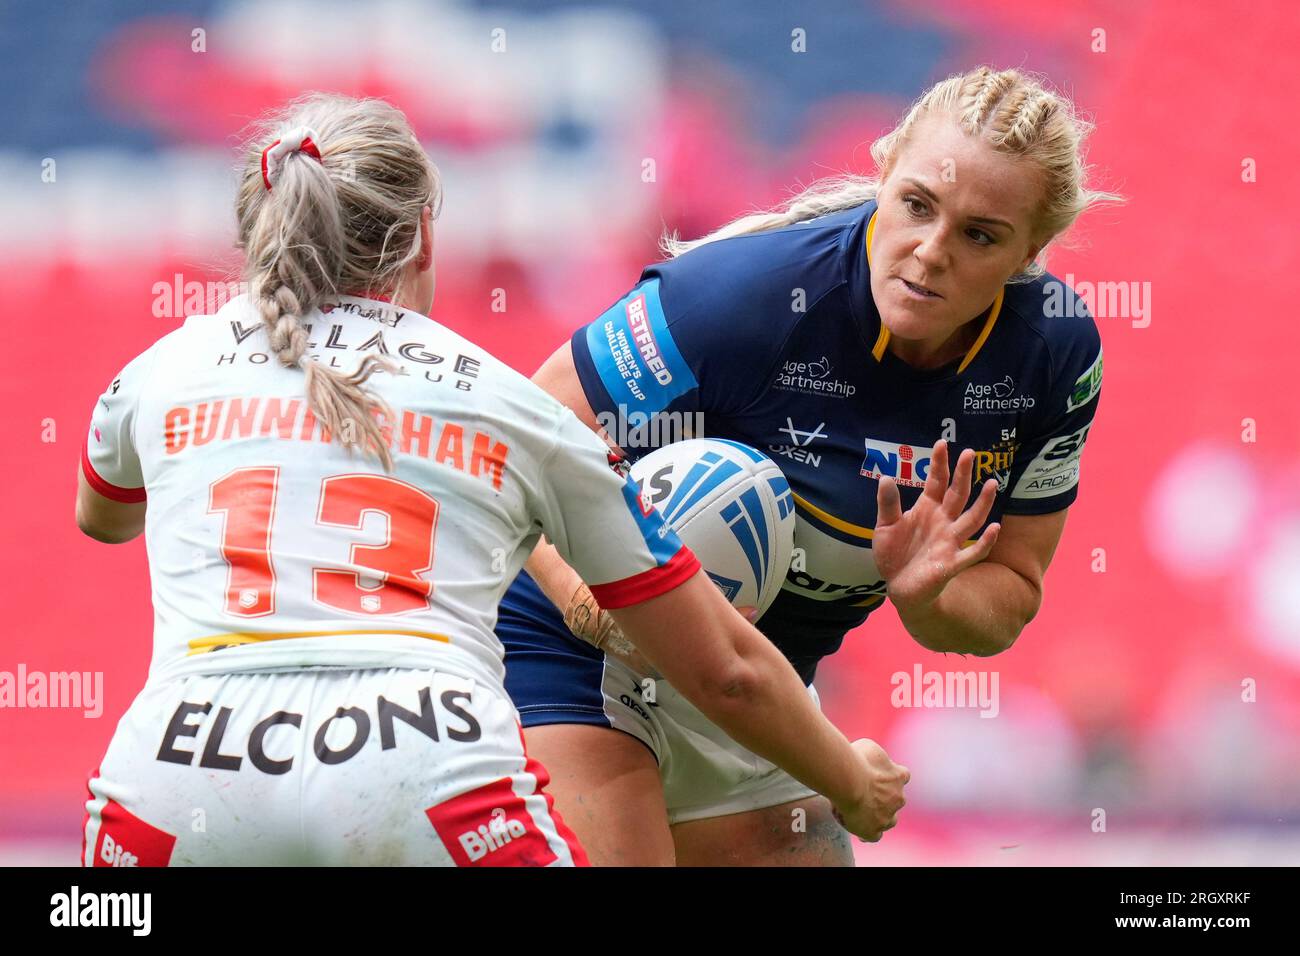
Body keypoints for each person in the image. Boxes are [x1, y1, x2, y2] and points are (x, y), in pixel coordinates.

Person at [75, 93, 907, 866]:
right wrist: (850, 779)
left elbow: (104, 518)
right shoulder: (516, 407)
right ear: (425, 238)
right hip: (422, 766)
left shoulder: (155, 372)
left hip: (177, 774)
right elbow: (722, 666)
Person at [498, 66, 1117, 866]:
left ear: (1031, 250)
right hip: (581, 651)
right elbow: (518, 442)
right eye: (917, 205)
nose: (930, 254)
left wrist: (930, 600)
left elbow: (1010, 597)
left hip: (762, 689)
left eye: (980, 235)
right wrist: (581, 587)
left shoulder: (1054, 357)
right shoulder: (745, 296)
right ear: (885, 167)